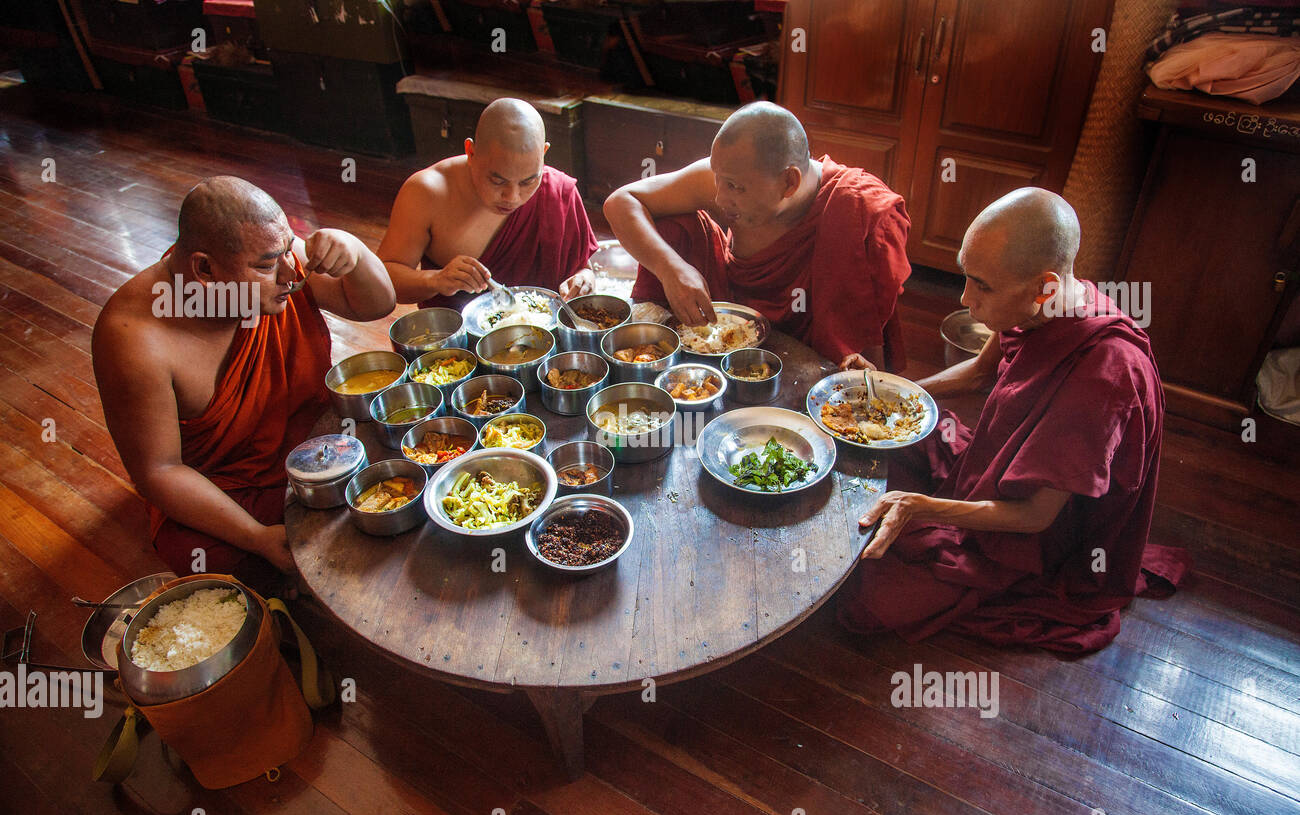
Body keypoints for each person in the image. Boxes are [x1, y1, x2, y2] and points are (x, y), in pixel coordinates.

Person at [837, 187, 1186, 653]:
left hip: (1033, 535)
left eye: (982, 285)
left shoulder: (1103, 374)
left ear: (1045, 286)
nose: (965, 297)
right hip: (993, 463)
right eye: (967, 276)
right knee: (864, 439)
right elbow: (982, 372)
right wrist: (889, 390)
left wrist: (920, 506)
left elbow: (1035, 516)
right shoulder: (1044, 303)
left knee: (865, 603)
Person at [92, 176, 397, 588]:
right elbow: (160, 470)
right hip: (228, 484)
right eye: (268, 265)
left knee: (400, 451)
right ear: (204, 269)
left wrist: (355, 252)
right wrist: (256, 538)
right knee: (220, 568)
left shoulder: (278, 262)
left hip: (317, 439)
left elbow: (378, 304)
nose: (293, 272)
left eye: (290, 249)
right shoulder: (134, 337)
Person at [603, 101, 911, 372]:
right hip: (723, 313)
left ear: (790, 182)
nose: (720, 198)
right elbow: (621, 202)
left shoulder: (859, 209)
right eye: (718, 178)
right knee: (672, 225)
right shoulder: (727, 177)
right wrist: (671, 269)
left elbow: (864, 327)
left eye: (735, 187)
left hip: (814, 346)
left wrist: (865, 375)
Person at [379, 97, 598, 308]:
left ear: (544, 153)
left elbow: (581, 268)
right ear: (470, 152)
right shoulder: (426, 192)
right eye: (497, 180)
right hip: (460, 340)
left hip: (545, 334)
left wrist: (583, 280)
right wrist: (436, 280)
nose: (512, 197)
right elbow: (384, 279)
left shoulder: (559, 190)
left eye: (528, 181)